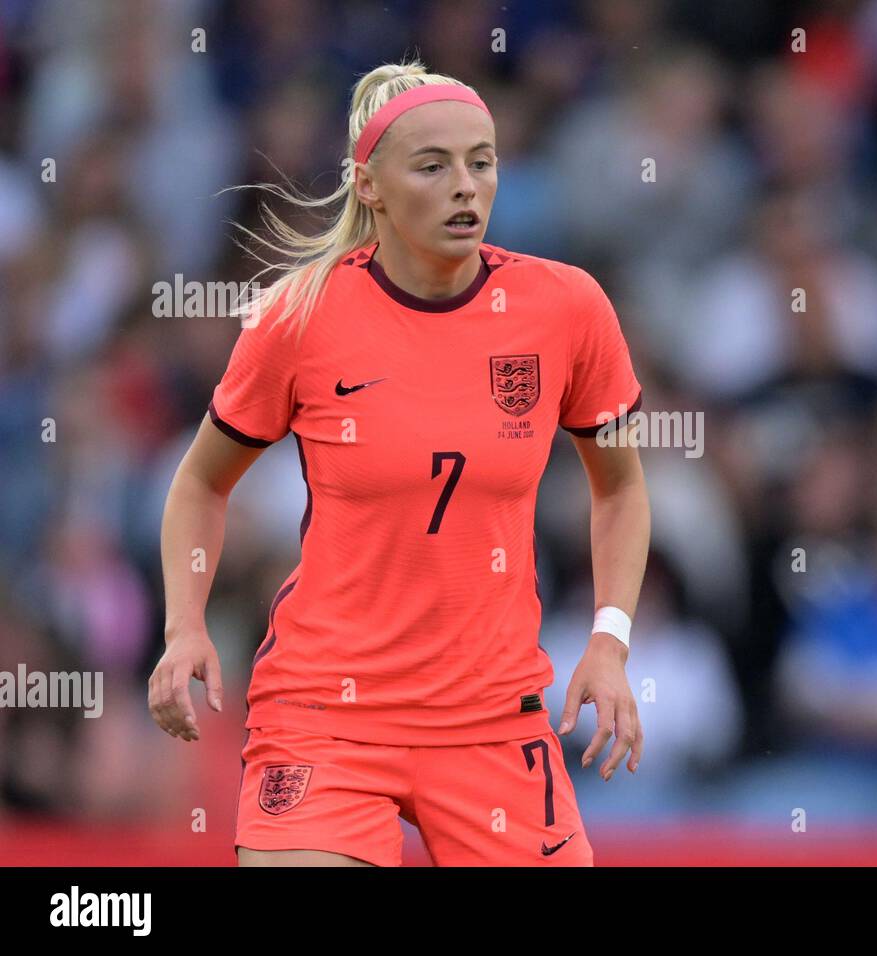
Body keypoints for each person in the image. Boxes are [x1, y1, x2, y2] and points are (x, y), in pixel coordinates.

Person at [148, 61, 650, 866]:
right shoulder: (300, 316)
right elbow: (202, 481)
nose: (466, 186)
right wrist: (184, 628)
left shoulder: (566, 308)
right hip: (326, 712)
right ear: (370, 185)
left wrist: (609, 641)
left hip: (491, 717)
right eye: (433, 165)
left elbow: (619, 488)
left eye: (481, 161)